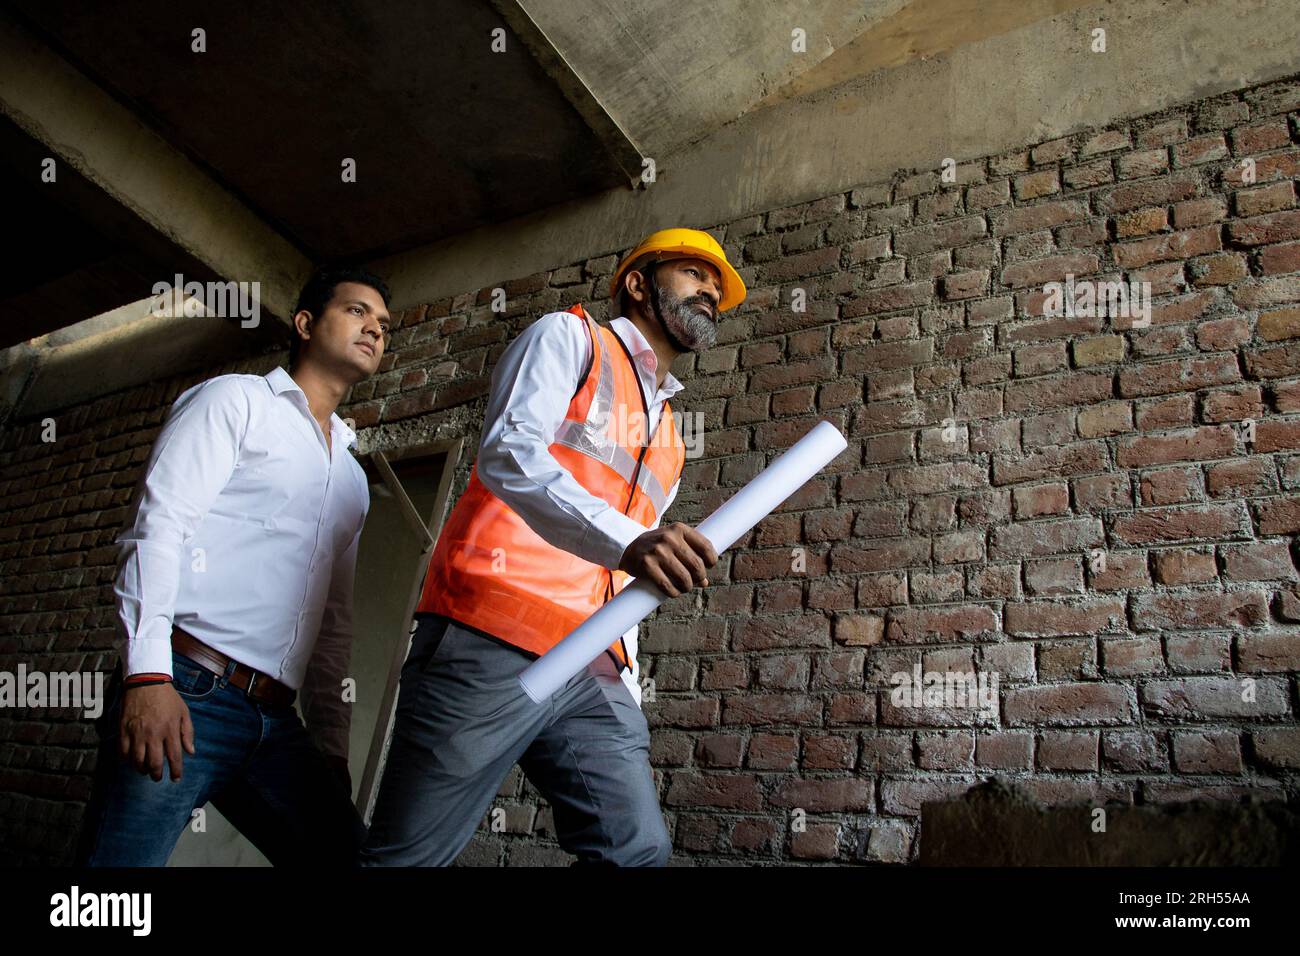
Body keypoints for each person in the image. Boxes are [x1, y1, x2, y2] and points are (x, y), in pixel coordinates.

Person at [360, 228, 745, 866]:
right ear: (637, 283)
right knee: (407, 859)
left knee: (636, 854)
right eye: (694, 273)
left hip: (593, 662)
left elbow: (629, 570)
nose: (710, 291)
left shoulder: (672, 434)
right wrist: (633, 542)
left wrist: (627, 669)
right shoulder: (571, 340)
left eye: (718, 288)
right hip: (492, 631)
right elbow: (511, 453)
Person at [76, 266, 390, 866]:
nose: (374, 328)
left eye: (382, 323)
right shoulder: (235, 401)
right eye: (356, 312)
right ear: (304, 324)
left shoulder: (351, 476)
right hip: (185, 686)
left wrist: (330, 747)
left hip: (276, 719)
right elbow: (159, 527)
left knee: (348, 859)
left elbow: (334, 621)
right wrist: (146, 676)